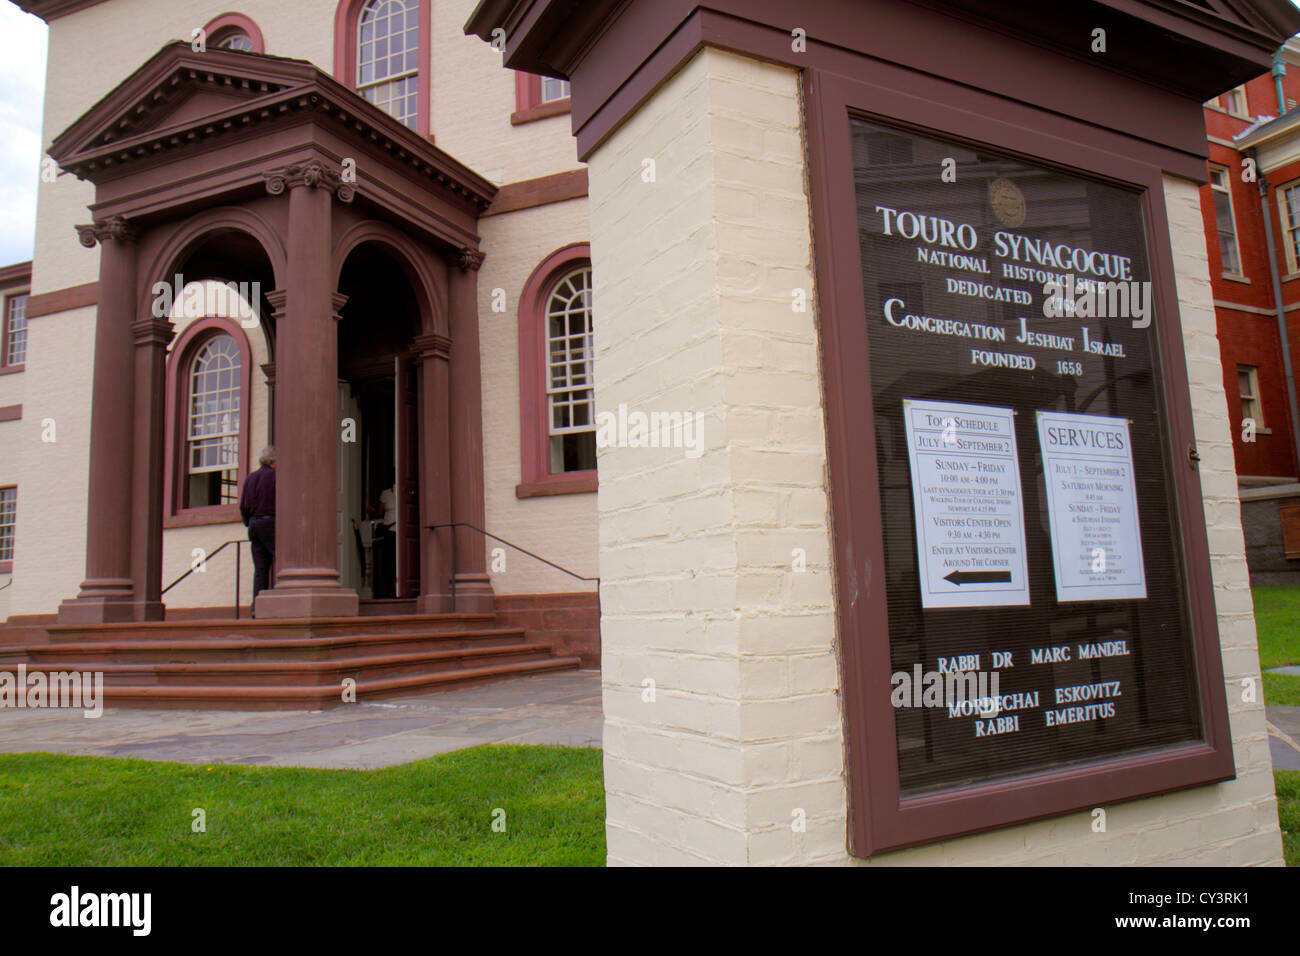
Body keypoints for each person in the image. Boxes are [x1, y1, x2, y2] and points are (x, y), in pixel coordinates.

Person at [240, 446, 277, 617]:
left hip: (254, 524)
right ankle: (283, 601)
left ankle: (257, 607)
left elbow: (244, 506)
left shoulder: (251, 478)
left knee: (260, 569)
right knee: (285, 562)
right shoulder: (276, 477)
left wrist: (249, 522)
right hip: (270, 522)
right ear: (273, 462)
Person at [371, 476, 397, 599]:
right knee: (388, 561)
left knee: (398, 561)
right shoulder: (386, 494)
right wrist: (372, 511)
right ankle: (387, 590)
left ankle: (396, 589)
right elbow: (380, 512)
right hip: (389, 531)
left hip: (400, 531)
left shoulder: (403, 491)